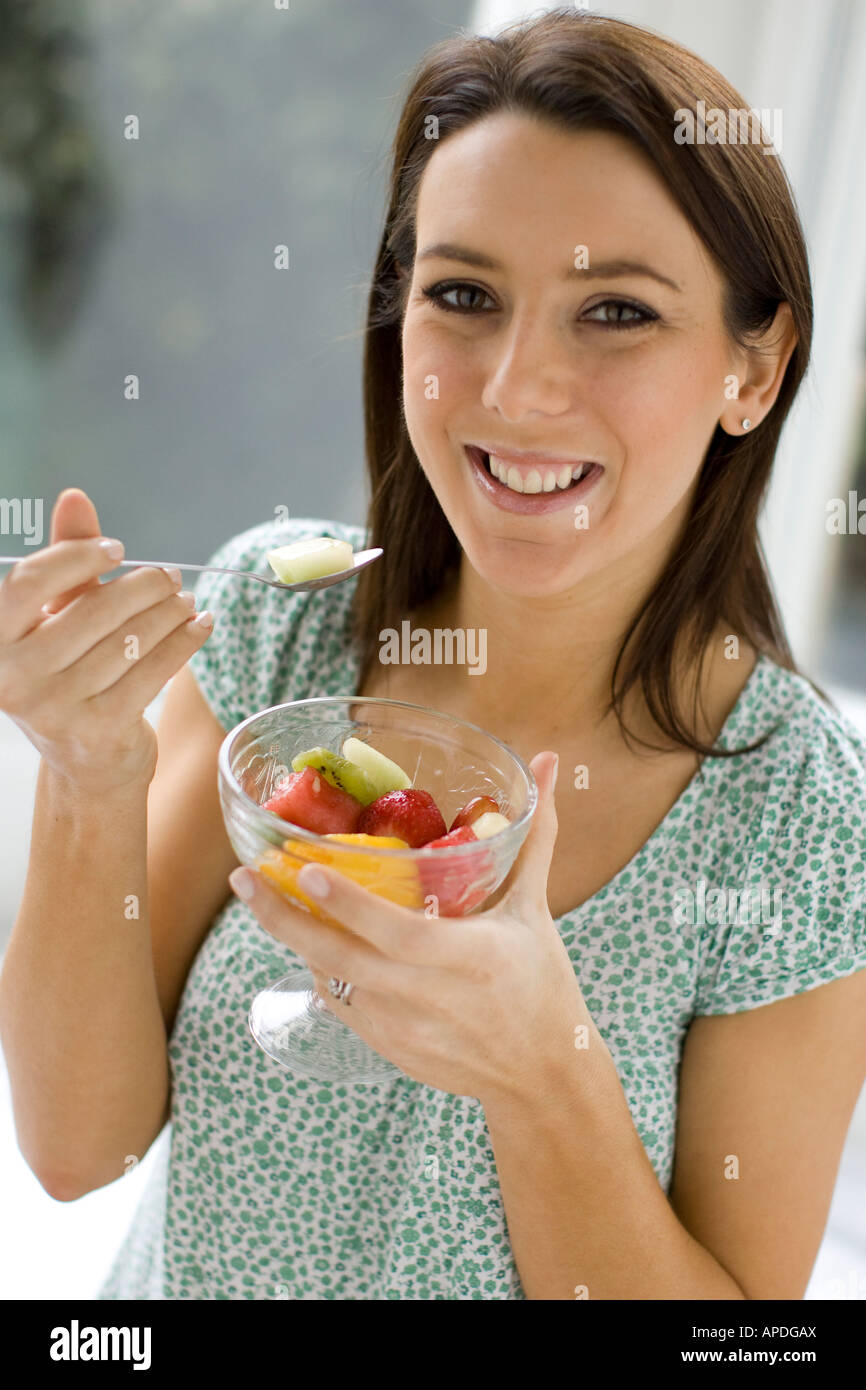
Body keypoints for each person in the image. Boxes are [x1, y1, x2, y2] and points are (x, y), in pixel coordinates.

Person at [1, 8, 864, 1301]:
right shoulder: (277, 624)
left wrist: (539, 1062)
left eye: (615, 310)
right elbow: (81, 1145)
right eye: (463, 294)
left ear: (754, 367)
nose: (517, 386)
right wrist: (85, 770)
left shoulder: (791, 813)